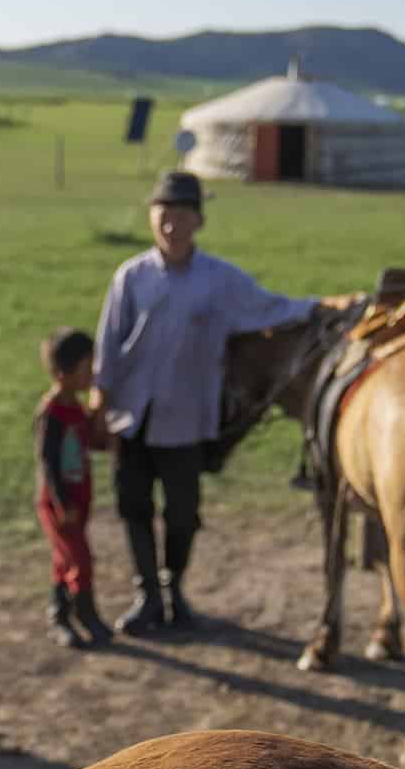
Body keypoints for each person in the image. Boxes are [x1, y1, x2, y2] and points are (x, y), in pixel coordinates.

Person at [91, 170, 345, 635]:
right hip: (131, 415)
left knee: (183, 513)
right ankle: (146, 594)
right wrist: (100, 401)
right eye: (163, 215)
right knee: (133, 508)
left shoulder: (221, 281)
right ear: (152, 218)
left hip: (185, 418)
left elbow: (271, 307)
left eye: (181, 216)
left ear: (198, 222)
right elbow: (109, 343)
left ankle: (174, 590)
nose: (171, 226)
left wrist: (321, 307)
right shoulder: (131, 277)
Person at [34, 327, 113, 648]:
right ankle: (86, 614)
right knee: (80, 559)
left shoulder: (76, 407)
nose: (91, 374)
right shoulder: (51, 413)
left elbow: (91, 443)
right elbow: (48, 462)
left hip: (79, 499)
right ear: (61, 373)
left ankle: (59, 615)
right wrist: (62, 502)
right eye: (86, 367)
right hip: (59, 504)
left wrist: (100, 416)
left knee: (64, 559)